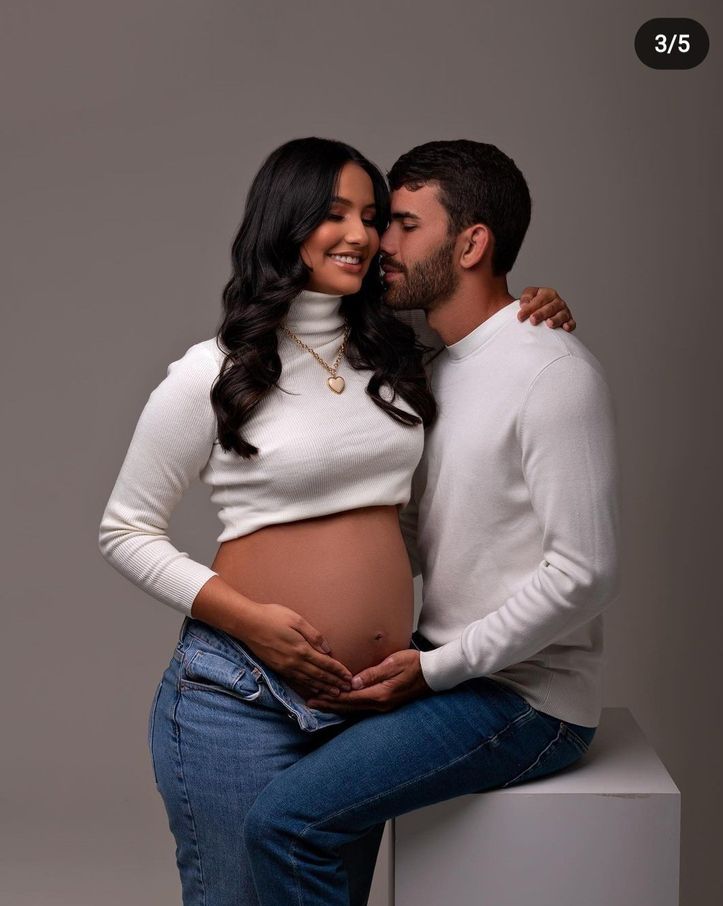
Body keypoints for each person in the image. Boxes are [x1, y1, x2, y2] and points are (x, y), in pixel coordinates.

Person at [97, 136, 573, 906]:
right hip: (239, 695)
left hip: (364, 703)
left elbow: (480, 325)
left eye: (373, 215)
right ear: (285, 223)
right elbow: (125, 529)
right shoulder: (213, 372)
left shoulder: (397, 351)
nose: (361, 234)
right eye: (333, 214)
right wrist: (253, 622)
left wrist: (534, 308)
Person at [240, 139, 620, 906]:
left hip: (524, 701)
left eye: (405, 225)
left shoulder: (553, 373)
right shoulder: (436, 367)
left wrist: (434, 670)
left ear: (473, 242)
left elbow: (586, 572)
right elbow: (423, 530)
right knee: (301, 802)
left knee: (288, 822)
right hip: (439, 668)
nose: (382, 243)